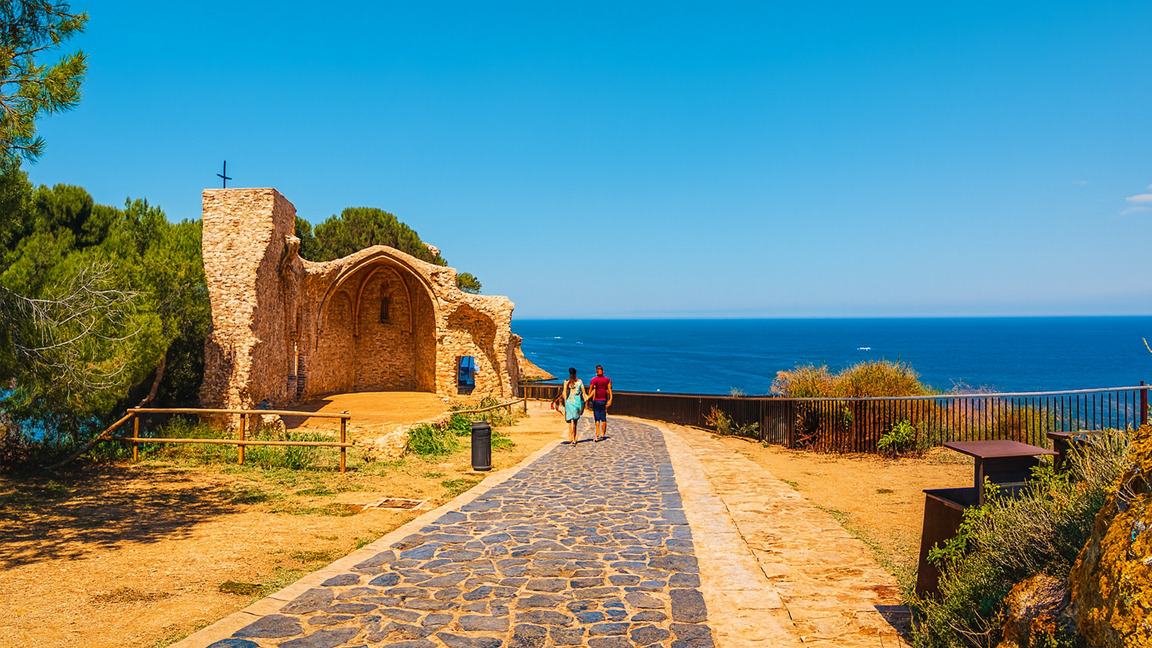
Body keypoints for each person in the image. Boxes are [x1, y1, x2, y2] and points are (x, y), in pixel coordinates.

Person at [552, 367, 588, 445]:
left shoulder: (566, 382)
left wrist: (565, 401)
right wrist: (586, 400)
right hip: (577, 402)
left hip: (569, 401)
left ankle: (570, 437)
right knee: (575, 422)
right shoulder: (579, 382)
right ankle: (574, 438)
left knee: (569, 421)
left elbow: (564, 393)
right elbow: (584, 393)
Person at [588, 365, 613, 441]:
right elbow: (609, 390)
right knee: (600, 418)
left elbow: (590, 389)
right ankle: (600, 434)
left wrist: (610, 399)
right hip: (600, 400)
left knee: (600, 418)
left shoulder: (596, 380)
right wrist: (610, 399)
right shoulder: (605, 380)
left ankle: (600, 434)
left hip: (600, 400)